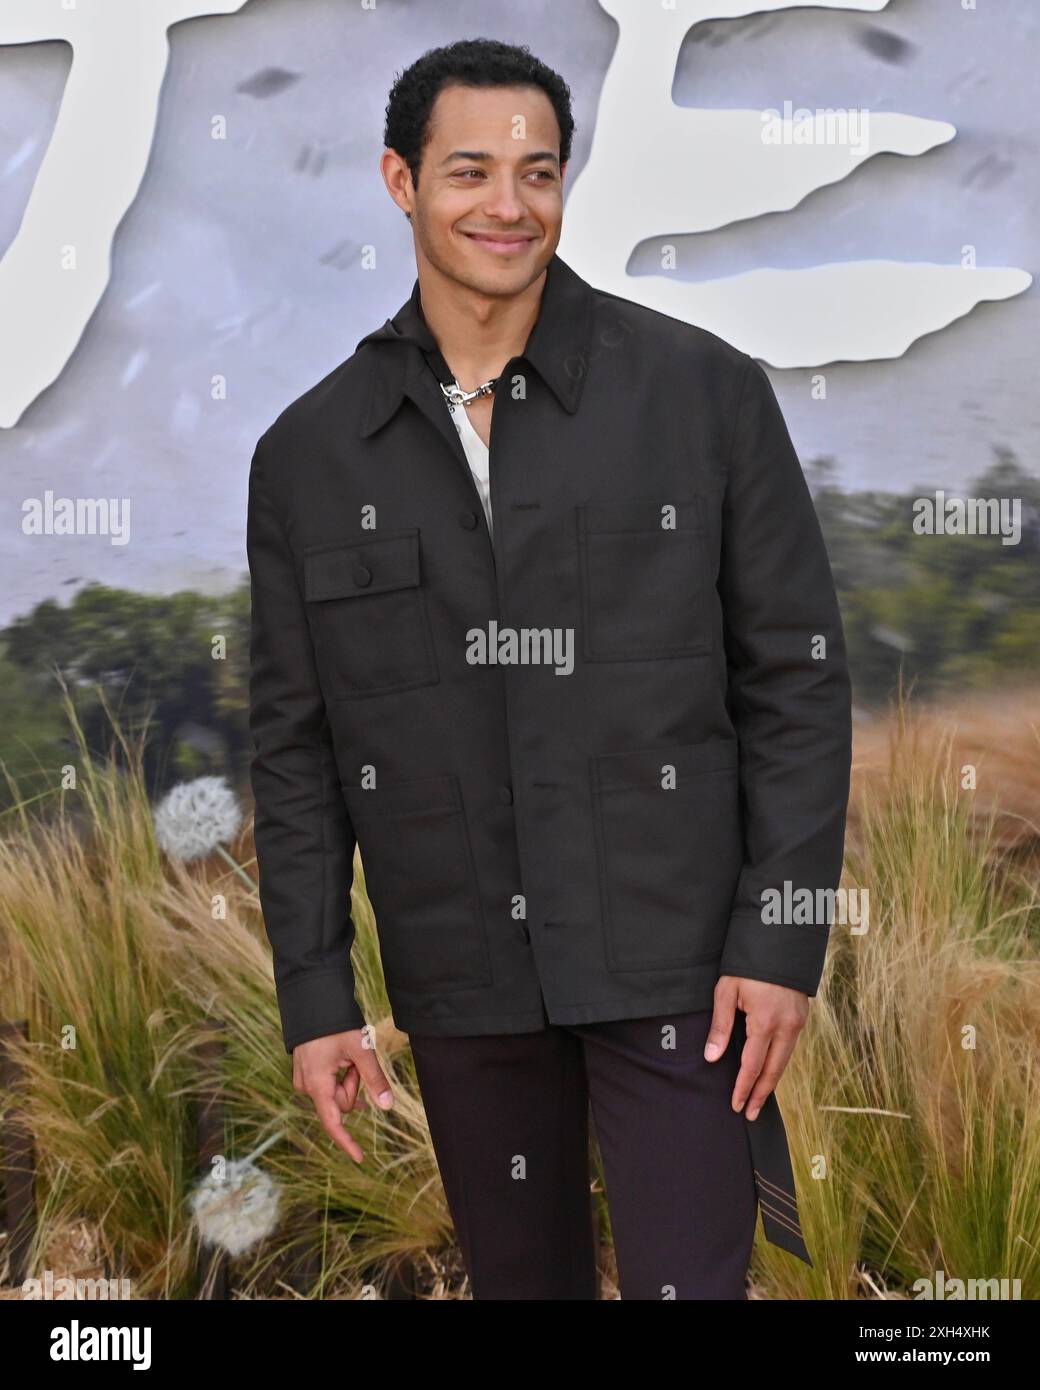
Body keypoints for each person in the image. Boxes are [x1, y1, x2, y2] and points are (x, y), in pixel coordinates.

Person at [246, 37, 852, 1300]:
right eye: (469, 170)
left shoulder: (702, 396)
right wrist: (317, 994)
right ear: (399, 182)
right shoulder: (309, 458)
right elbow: (297, 750)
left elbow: (792, 681)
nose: (507, 205)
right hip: (462, 976)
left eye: (538, 171)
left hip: (685, 970)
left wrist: (780, 941)